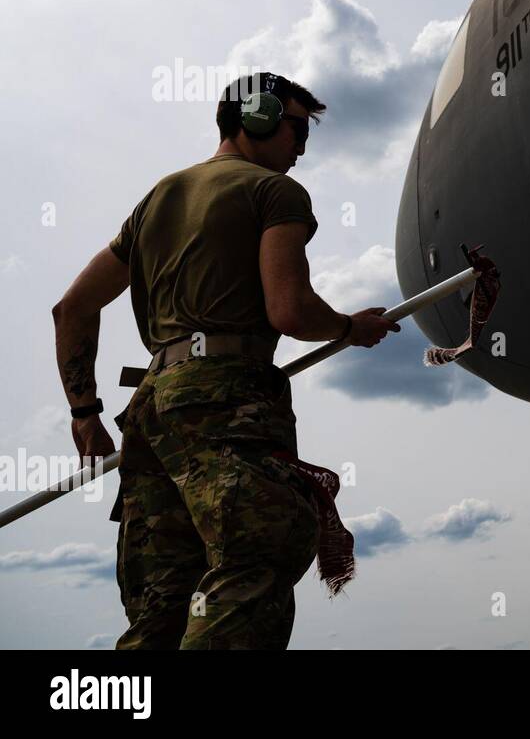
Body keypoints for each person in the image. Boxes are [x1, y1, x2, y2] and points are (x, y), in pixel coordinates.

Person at [50, 72, 400, 649]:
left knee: (162, 604)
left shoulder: (155, 201)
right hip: (224, 400)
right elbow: (289, 311)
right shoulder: (275, 192)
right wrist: (349, 328)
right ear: (256, 116)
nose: (302, 145)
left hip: (152, 413)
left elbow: (72, 308)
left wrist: (84, 411)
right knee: (254, 562)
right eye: (295, 126)